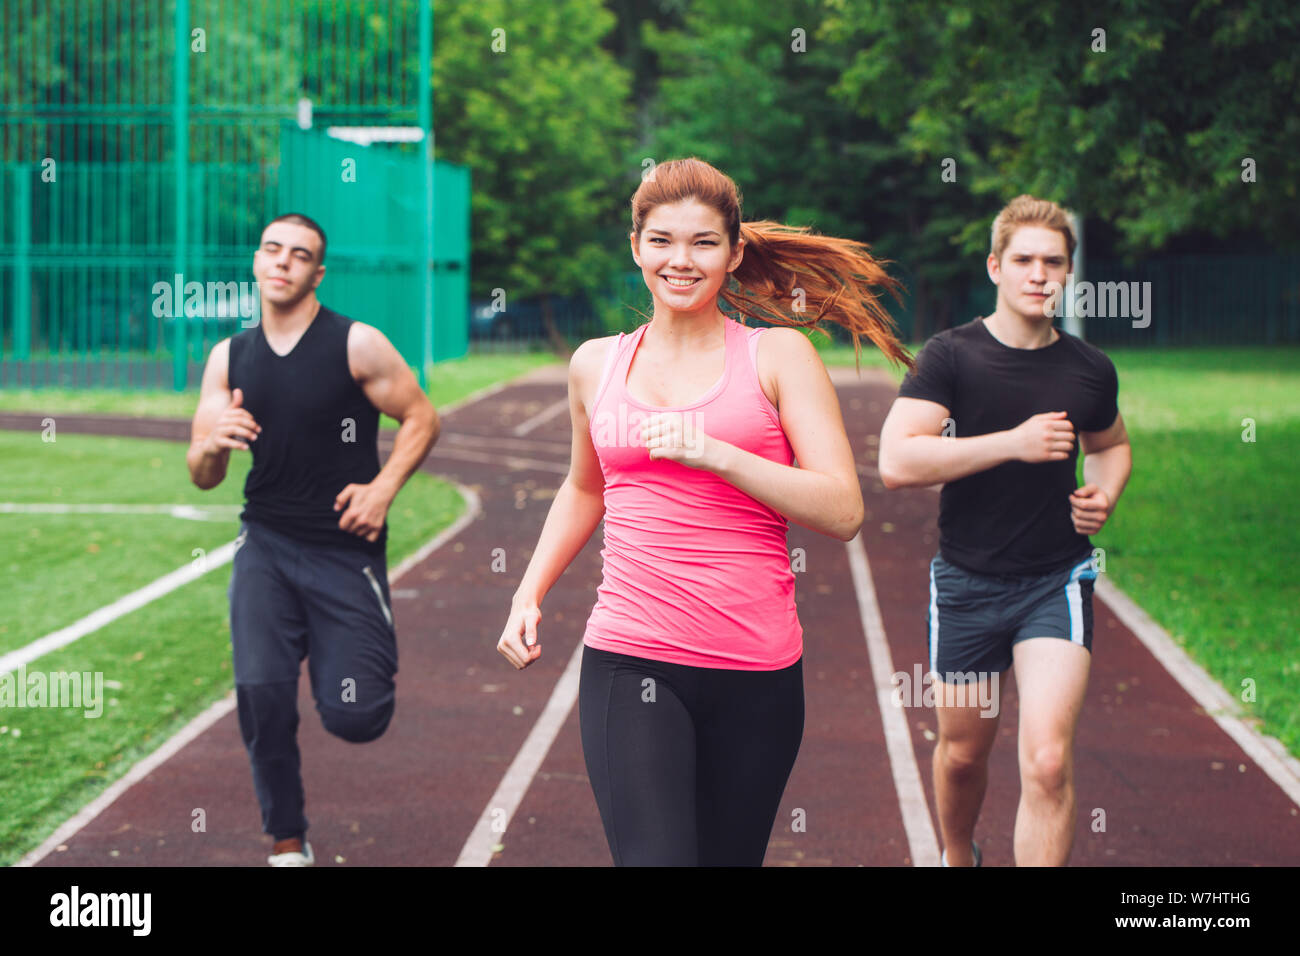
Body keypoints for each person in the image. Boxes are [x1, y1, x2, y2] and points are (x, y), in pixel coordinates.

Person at [496, 158, 912, 865]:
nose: (679, 261)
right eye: (660, 241)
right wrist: (528, 590)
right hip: (632, 655)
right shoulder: (596, 365)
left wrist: (718, 454)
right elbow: (585, 488)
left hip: (757, 668)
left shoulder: (779, 356)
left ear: (734, 252)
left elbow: (843, 509)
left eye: (702, 243)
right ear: (635, 246)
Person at [878, 194, 1132, 866]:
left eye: (1054, 261)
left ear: (1069, 272)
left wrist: (1102, 492)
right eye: (1024, 259)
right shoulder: (951, 357)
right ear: (996, 266)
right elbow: (897, 461)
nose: (1039, 274)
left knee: (1048, 760)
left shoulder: (1088, 369)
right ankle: (959, 854)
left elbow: (1111, 444)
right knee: (963, 754)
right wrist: (1012, 442)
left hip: (1057, 579)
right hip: (967, 585)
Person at [186, 213, 440, 866]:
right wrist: (213, 443)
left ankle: (359, 662)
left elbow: (421, 416)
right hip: (264, 545)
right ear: (256, 260)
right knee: (261, 698)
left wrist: (382, 489)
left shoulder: (356, 344)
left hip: (342, 548)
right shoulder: (228, 356)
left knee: (357, 716)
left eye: (299, 255)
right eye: (272, 250)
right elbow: (203, 474)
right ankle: (287, 839)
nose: (283, 262)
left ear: (317, 273)